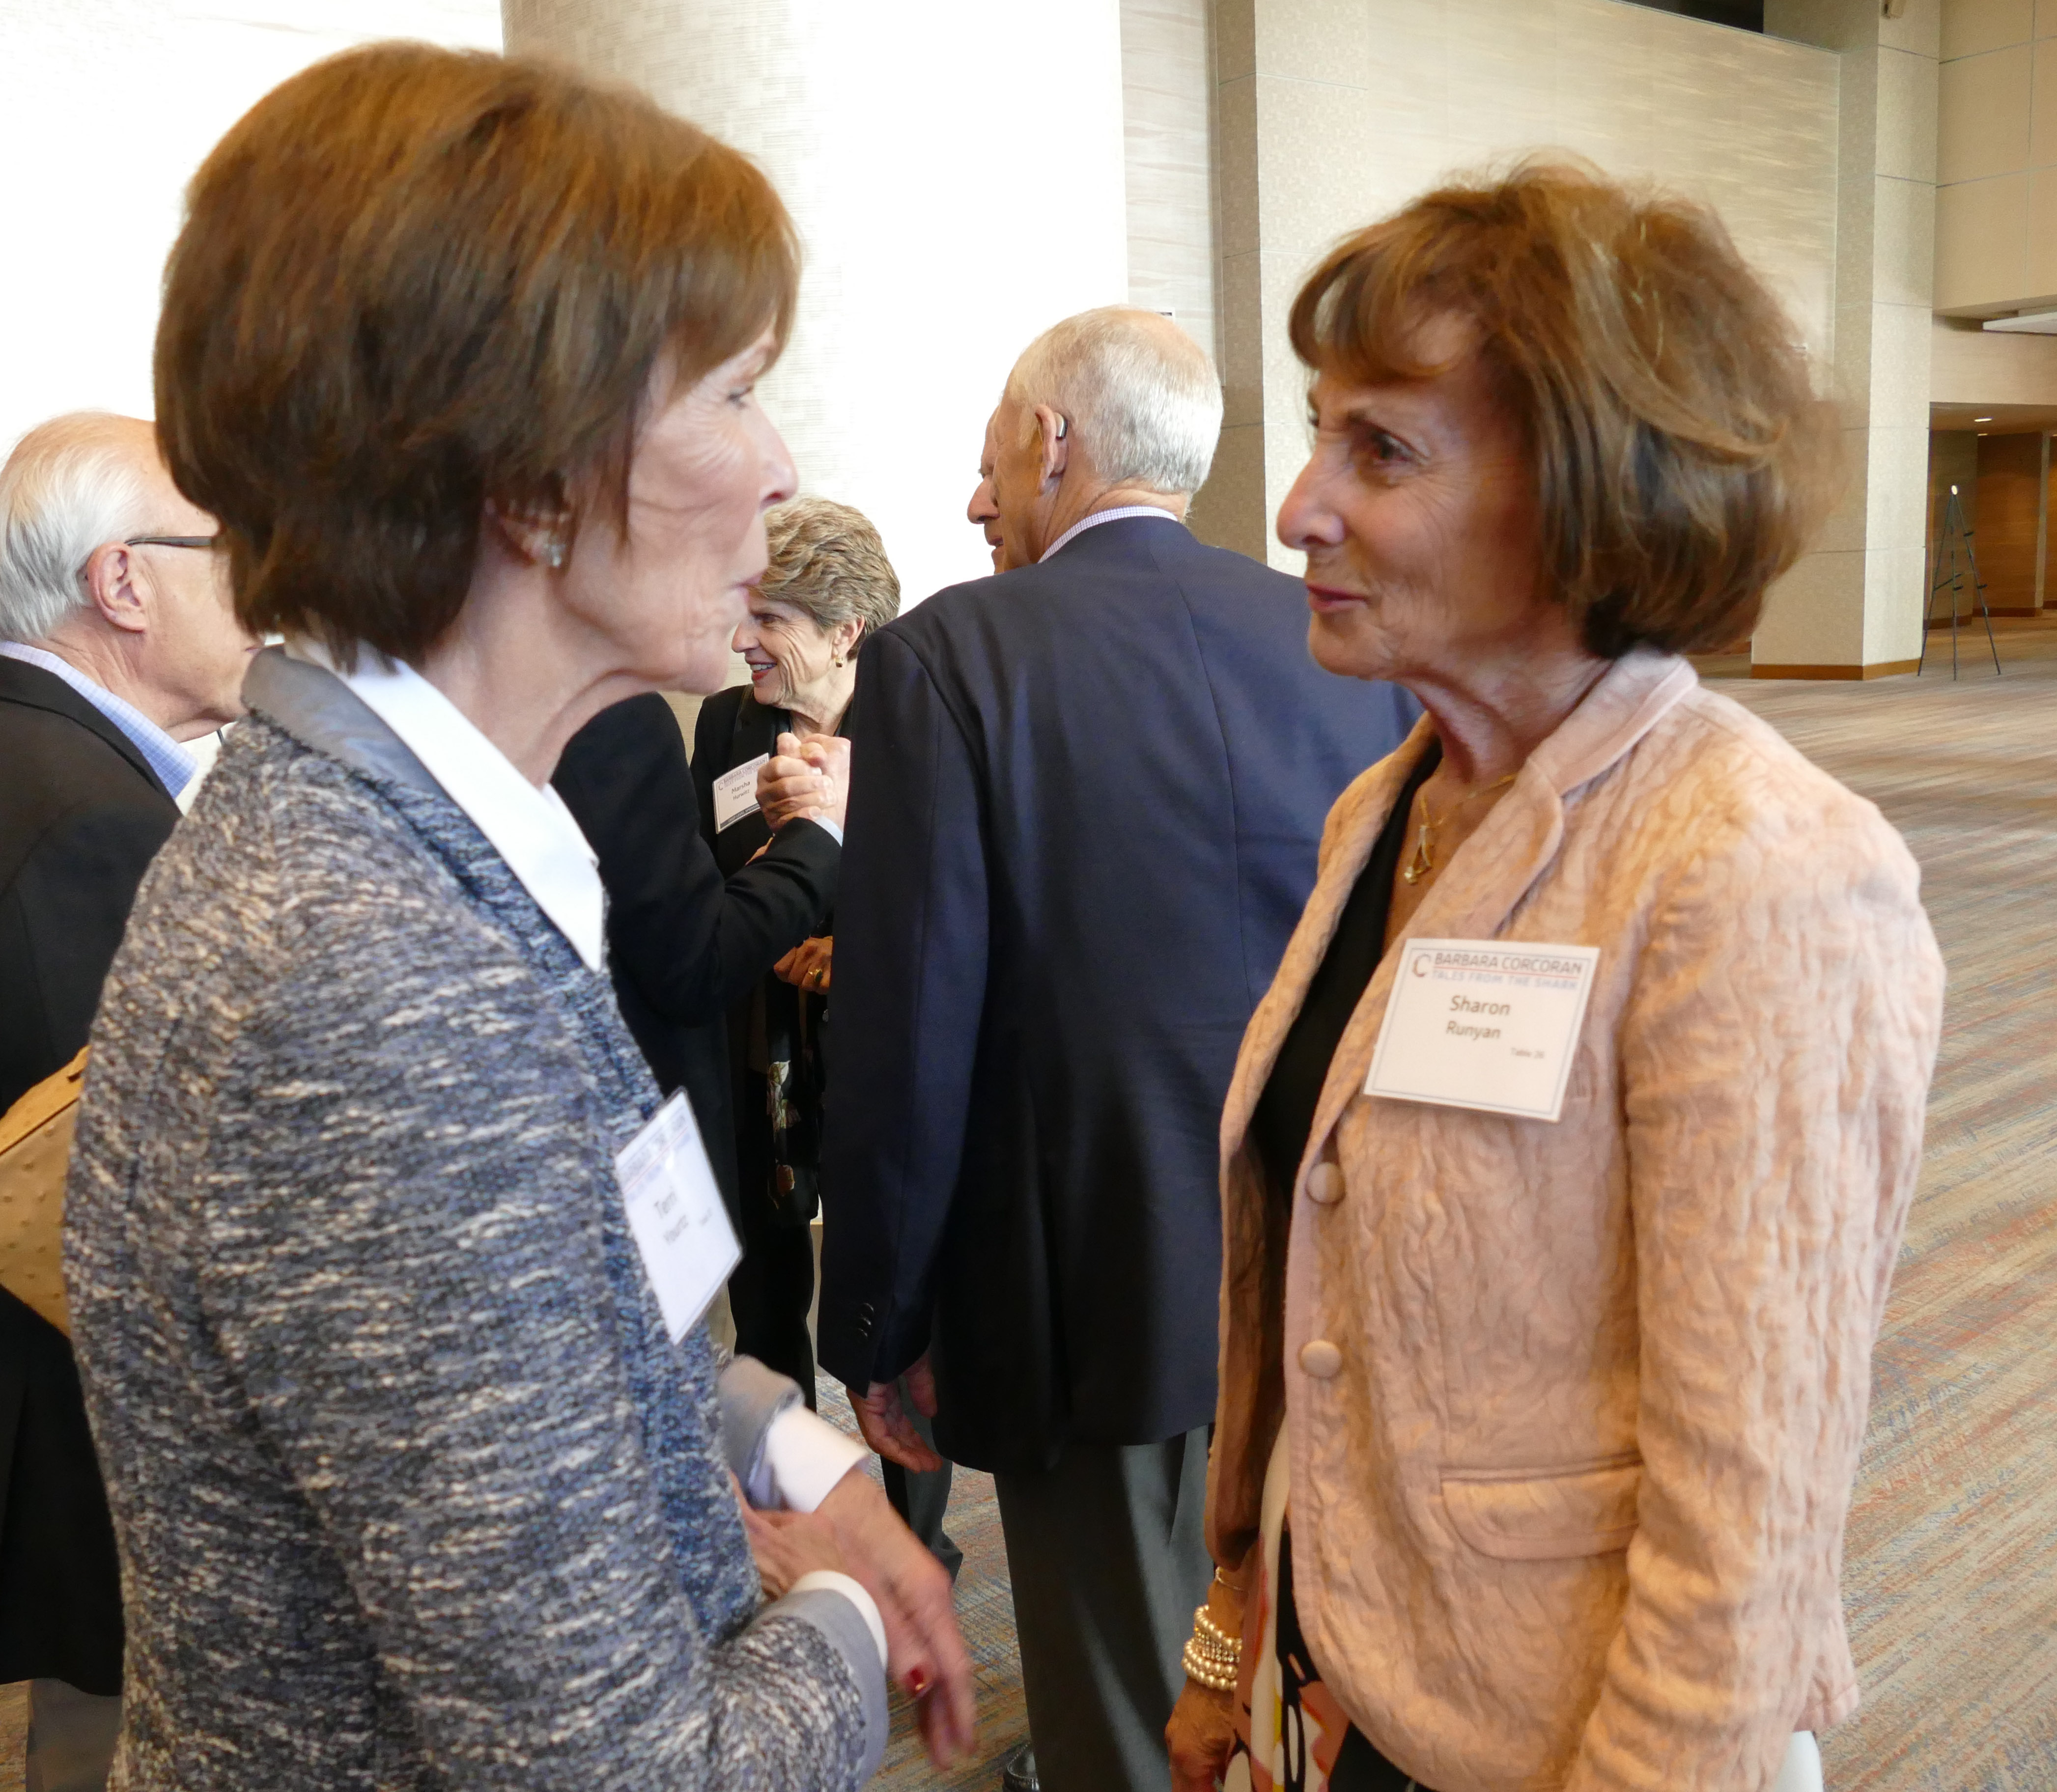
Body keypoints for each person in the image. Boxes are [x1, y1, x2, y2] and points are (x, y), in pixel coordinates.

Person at [63, 44, 971, 1792]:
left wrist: (790, 1452)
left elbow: (557, 1318)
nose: (779, 466)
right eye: (729, 391)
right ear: (533, 479)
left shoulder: (403, 845)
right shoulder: (370, 990)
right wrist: (856, 1613)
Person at [1164, 164, 1945, 1792]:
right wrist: (1235, 1634)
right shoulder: (1390, 806)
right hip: (1353, 1686)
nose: (1299, 504)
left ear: (1590, 492)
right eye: (1321, 430)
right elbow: (1329, 1311)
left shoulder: (1751, 863)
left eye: (1377, 446)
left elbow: (1749, 1505)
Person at [817, 305, 1419, 1792]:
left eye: (986, 462)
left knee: (1127, 1726)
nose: (974, 503)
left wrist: (876, 1326)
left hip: (1076, 1290)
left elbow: (908, 1023)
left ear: (1050, 443)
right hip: (1328, 1282)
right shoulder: (1346, 646)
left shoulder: (946, 658)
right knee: (1321, 1686)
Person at [0, 411, 257, 1792]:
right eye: (228, 549)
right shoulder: (90, 817)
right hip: (75, 1449)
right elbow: (102, 1216)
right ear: (122, 584)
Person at [690, 496, 960, 1577]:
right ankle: (792, 1513)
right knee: (764, 1300)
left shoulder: (925, 724)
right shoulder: (726, 725)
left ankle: (919, 1542)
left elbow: (956, 893)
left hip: (879, 1063)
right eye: (741, 614)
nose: (741, 641)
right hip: (757, 1055)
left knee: (891, 1306)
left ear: (848, 631)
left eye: (772, 619)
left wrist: (851, 944)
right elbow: (698, 889)